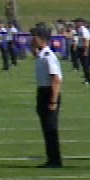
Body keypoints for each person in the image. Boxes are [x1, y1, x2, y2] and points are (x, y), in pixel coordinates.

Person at [31, 27, 65, 168]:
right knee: (46, 128)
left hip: (49, 93)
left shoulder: (49, 56)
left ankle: (55, 160)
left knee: (51, 128)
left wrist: (53, 99)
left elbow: (56, 79)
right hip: (43, 92)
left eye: (34, 37)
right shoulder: (41, 55)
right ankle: (51, 158)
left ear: (42, 39)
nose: (32, 39)